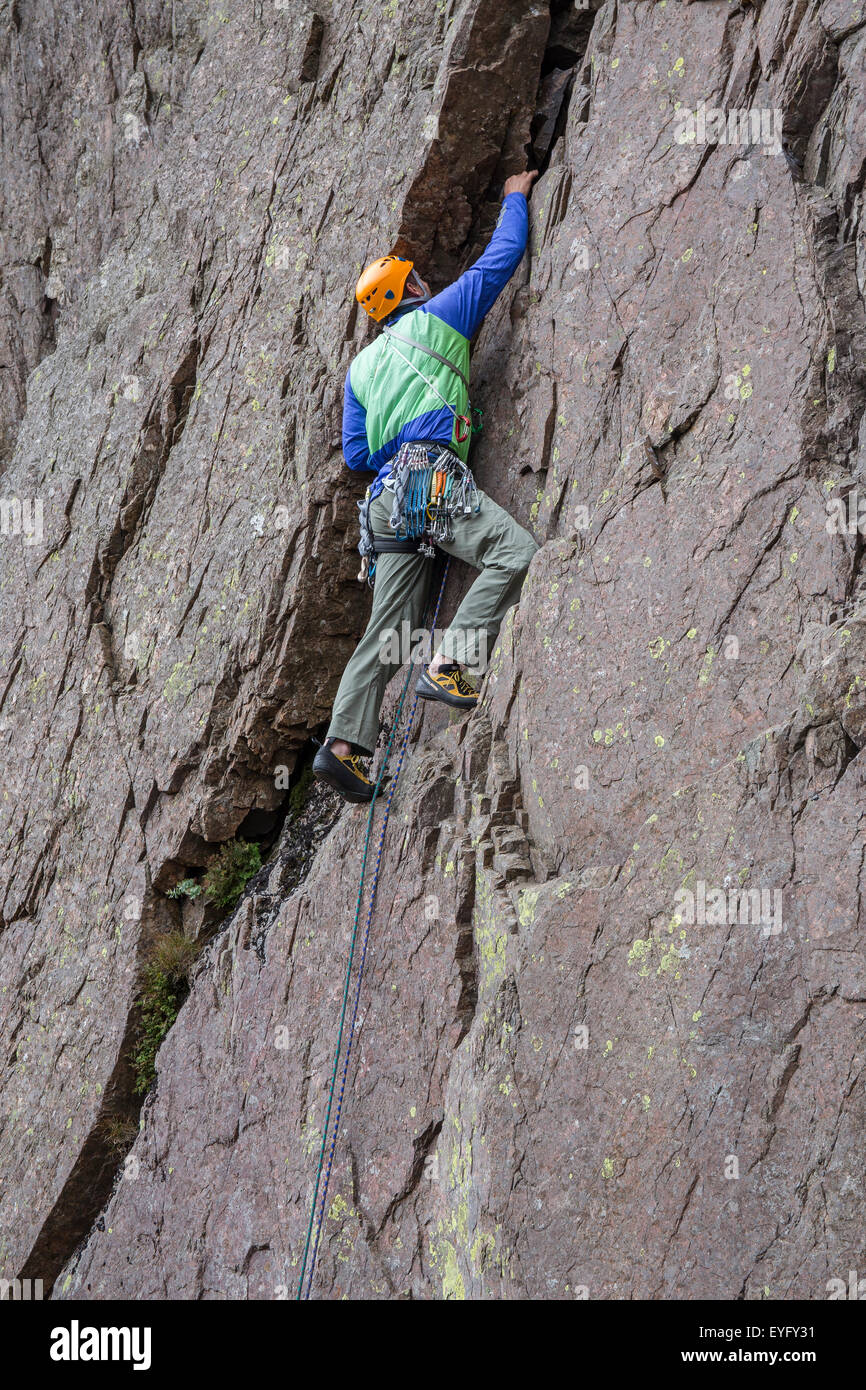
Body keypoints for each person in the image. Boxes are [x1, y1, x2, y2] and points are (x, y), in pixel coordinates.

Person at [313, 170, 539, 803]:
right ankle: (455, 662)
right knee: (513, 552)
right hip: (427, 479)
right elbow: (500, 261)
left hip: (383, 503)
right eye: (416, 277)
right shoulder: (439, 318)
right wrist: (515, 193)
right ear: (411, 288)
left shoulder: (360, 369)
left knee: (389, 629)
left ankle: (344, 748)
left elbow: (357, 454)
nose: (425, 280)